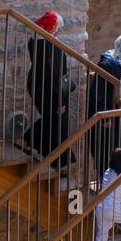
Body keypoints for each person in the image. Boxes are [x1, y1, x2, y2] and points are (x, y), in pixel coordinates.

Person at [22, 10, 74, 162]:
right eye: (58, 27)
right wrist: (60, 101)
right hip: (49, 89)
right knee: (55, 118)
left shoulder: (37, 41)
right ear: (53, 27)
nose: (59, 30)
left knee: (50, 118)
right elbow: (55, 75)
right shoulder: (51, 46)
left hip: (38, 86)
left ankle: (28, 142)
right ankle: (56, 158)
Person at [87, 31, 121, 177]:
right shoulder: (107, 65)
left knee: (119, 151)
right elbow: (98, 93)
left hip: (119, 117)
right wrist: (105, 117)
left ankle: (118, 184)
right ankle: (106, 184)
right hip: (108, 118)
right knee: (105, 151)